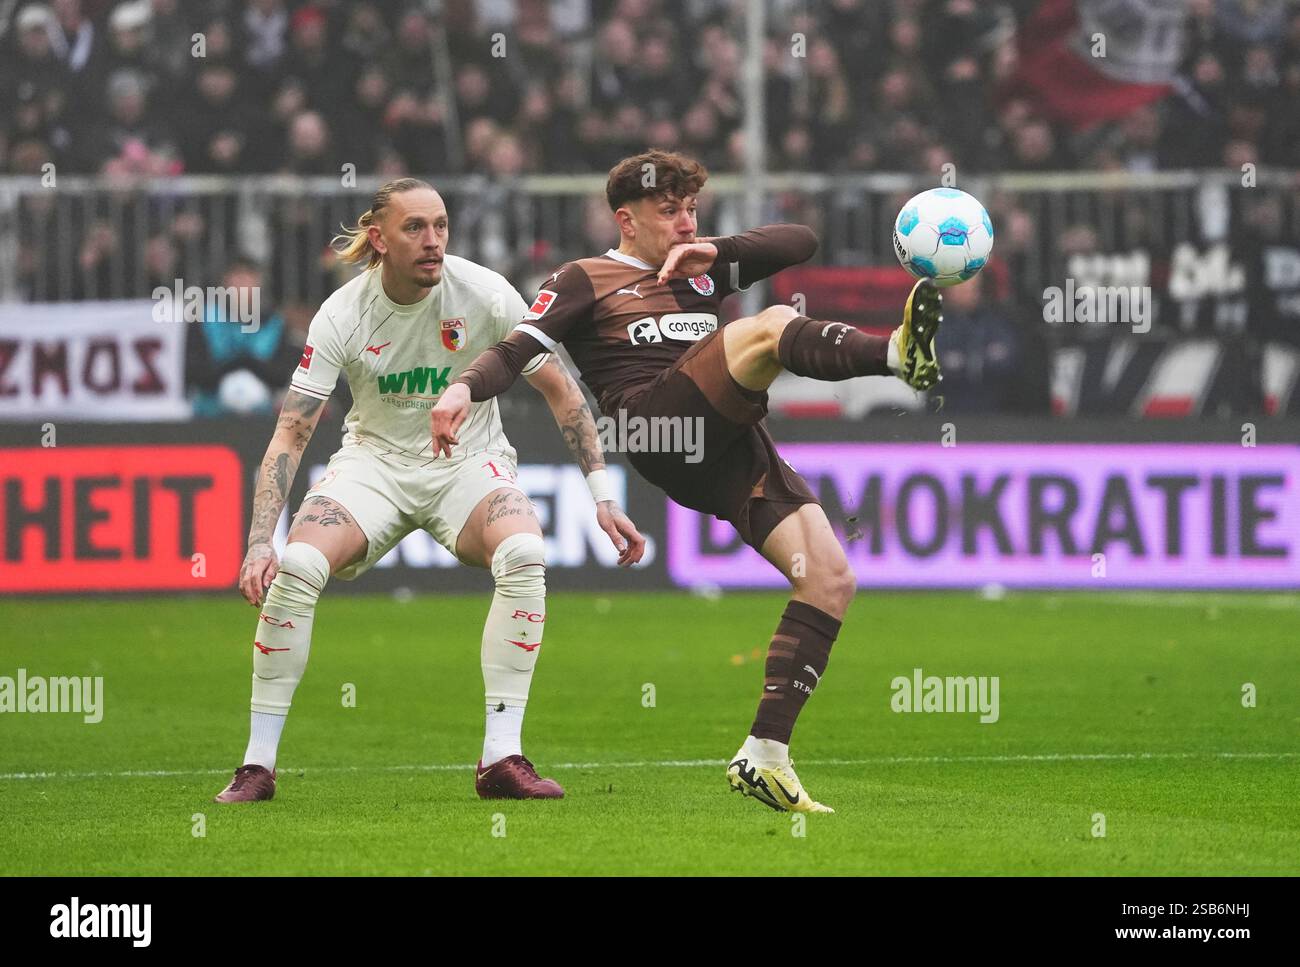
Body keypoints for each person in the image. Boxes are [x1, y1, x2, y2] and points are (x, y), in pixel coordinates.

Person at [431, 150, 941, 813]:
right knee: (769, 327)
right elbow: (518, 348)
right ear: (626, 218)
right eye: (668, 211)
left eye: (691, 208)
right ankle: (897, 354)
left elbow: (801, 240)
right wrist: (462, 390)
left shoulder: (702, 268)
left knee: (830, 576)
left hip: (725, 443)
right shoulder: (585, 277)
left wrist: (714, 249)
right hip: (656, 427)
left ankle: (765, 753)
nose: (684, 221)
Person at [215, 177, 645, 803]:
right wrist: (261, 542)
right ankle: (257, 766)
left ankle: (502, 759)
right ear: (378, 238)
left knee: (525, 554)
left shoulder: (486, 292)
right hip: (374, 465)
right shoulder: (342, 313)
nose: (432, 240)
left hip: (470, 463)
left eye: (440, 225)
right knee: (299, 564)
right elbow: (291, 433)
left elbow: (561, 388)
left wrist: (603, 495)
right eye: (415, 227)